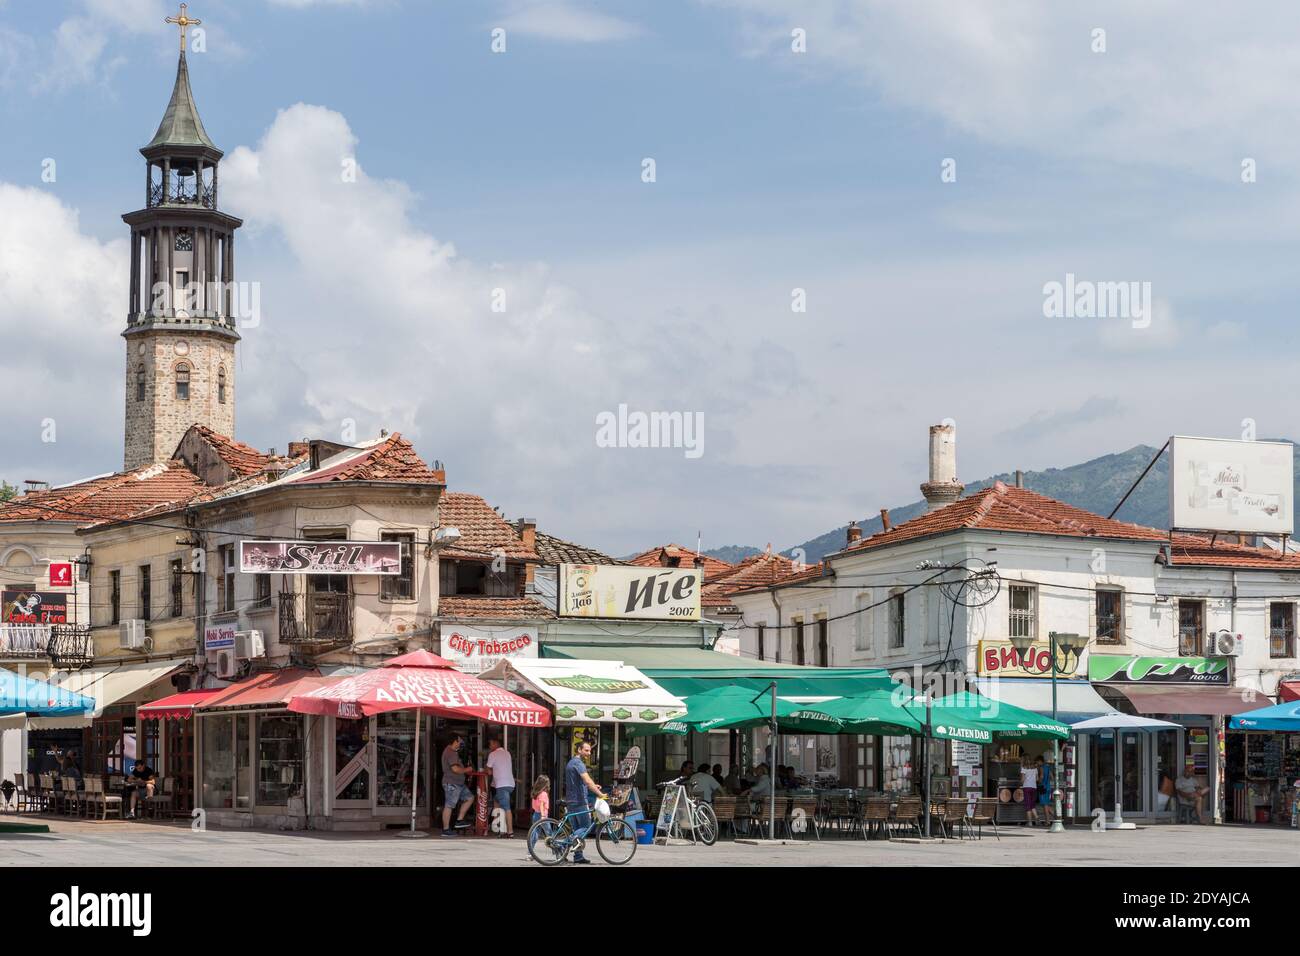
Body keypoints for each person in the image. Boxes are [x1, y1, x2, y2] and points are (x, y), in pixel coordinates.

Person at [564, 740, 608, 865]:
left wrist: (595, 785)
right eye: (586, 750)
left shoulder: (571, 763)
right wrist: (600, 794)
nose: (589, 753)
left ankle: (578, 857)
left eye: (590, 750)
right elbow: (587, 781)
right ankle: (563, 845)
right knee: (586, 827)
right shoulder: (579, 763)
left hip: (571, 800)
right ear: (579, 750)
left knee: (577, 829)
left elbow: (581, 781)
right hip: (579, 800)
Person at [440, 734, 474, 838]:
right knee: (449, 805)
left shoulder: (452, 752)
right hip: (452, 783)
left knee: (470, 798)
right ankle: (445, 830)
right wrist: (467, 770)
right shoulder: (451, 752)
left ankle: (459, 820)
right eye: (460, 741)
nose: (461, 743)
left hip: (458, 783)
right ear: (455, 741)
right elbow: (455, 769)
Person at [485, 737, 515, 837]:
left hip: (502, 785)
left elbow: (488, 770)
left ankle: (509, 831)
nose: (489, 746)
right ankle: (497, 826)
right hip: (510, 784)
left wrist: (490, 771)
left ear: (496, 743)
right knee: (497, 801)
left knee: (506, 808)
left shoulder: (492, 754)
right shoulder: (507, 753)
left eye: (490, 744)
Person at [1020, 757, 1039, 826]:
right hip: (1034, 787)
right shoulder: (1035, 769)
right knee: (1032, 804)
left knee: (1028, 805)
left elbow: (1022, 779)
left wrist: (1022, 782)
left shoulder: (1023, 769)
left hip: (1026, 787)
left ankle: (1030, 822)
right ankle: (1036, 817)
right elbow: (1037, 779)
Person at [1036, 756, 1053, 824]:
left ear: (1040, 761)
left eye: (1037, 761)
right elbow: (1052, 777)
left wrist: (1038, 781)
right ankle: (1057, 817)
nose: (1037, 763)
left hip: (1042, 787)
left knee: (1045, 805)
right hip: (1048, 787)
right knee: (1046, 804)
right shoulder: (1048, 767)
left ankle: (1048, 821)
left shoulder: (1041, 767)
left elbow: (1041, 777)